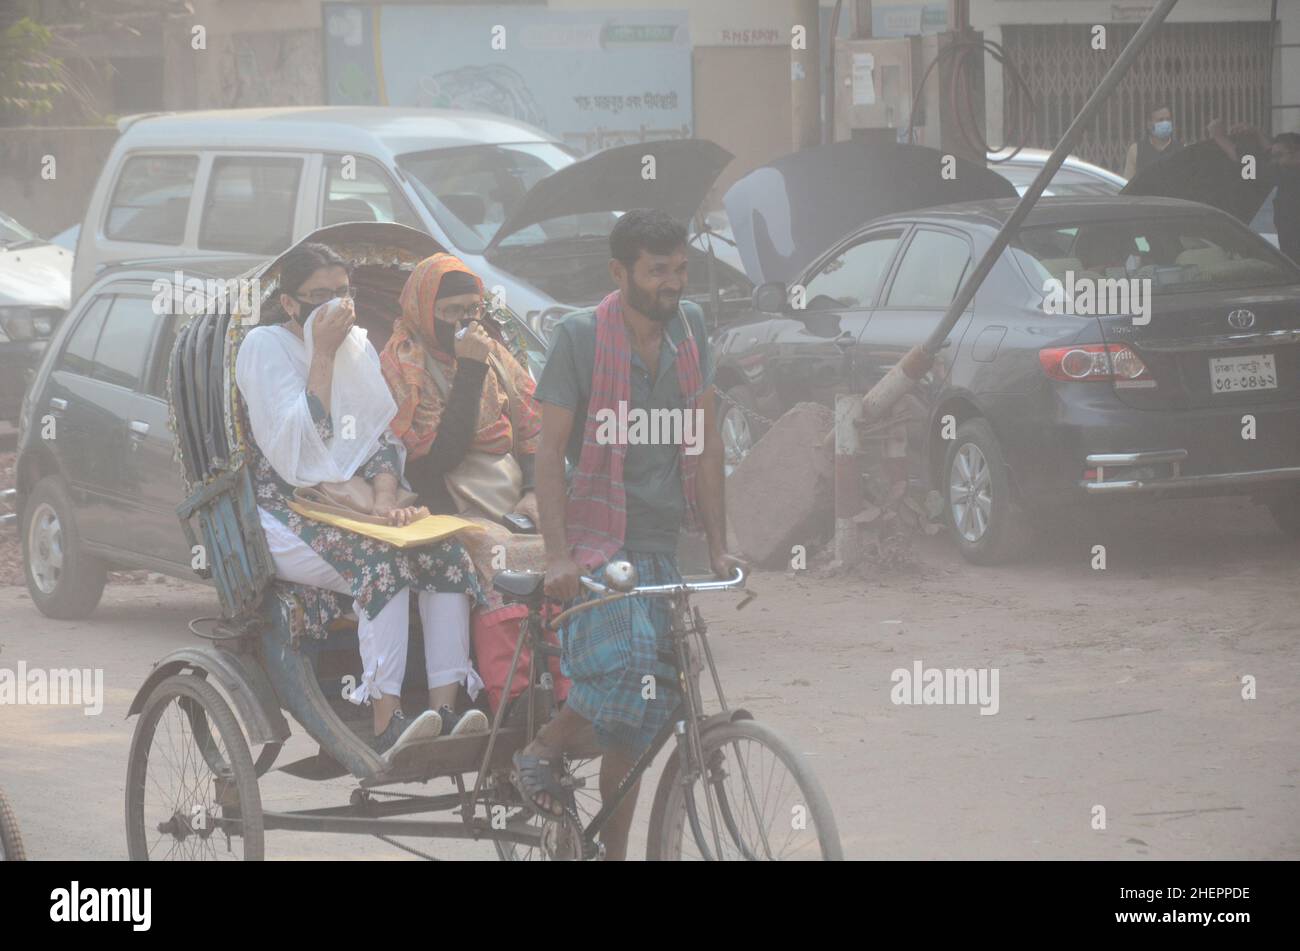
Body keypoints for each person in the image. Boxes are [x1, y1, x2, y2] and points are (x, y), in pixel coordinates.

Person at [516, 209, 738, 860]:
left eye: (681, 269)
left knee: (648, 712)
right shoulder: (578, 337)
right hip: (596, 543)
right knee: (629, 664)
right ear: (620, 272)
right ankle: (544, 748)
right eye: (657, 270)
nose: (673, 284)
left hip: (659, 541)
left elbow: (706, 441)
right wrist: (558, 555)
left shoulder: (691, 331)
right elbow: (549, 451)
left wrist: (720, 546)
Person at [234, 242, 488, 758]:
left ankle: (444, 711)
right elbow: (299, 449)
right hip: (287, 510)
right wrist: (322, 353)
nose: (335, 306)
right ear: (290, 304)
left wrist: (385, 500)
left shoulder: (360, 348)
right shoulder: (263, 347)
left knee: (447, 556)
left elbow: (379, 442)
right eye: (318, 296)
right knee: (383, 564)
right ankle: (386, 719)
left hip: (356, 507)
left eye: (342, 293)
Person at [380, 254, 556, 714]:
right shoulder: (404, 360)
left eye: (472, 310)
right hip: (446, 500)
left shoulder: (494, 351)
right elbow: (433, 459)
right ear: (425, 310)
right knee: (504, 562)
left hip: (512, 493)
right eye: (452, 312)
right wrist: (469, 370)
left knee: (572, 552)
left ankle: (567, 682)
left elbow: (532, 423)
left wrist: (535, 491)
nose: (465, 321)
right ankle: (511, 695)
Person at [1123, 104, 1183, 180]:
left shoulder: (1181, 150)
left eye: (1168, 119)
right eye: (1160, 120)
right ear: (1149, 124)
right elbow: (1127, 182)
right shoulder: (1136, 150)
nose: (1165, 123)